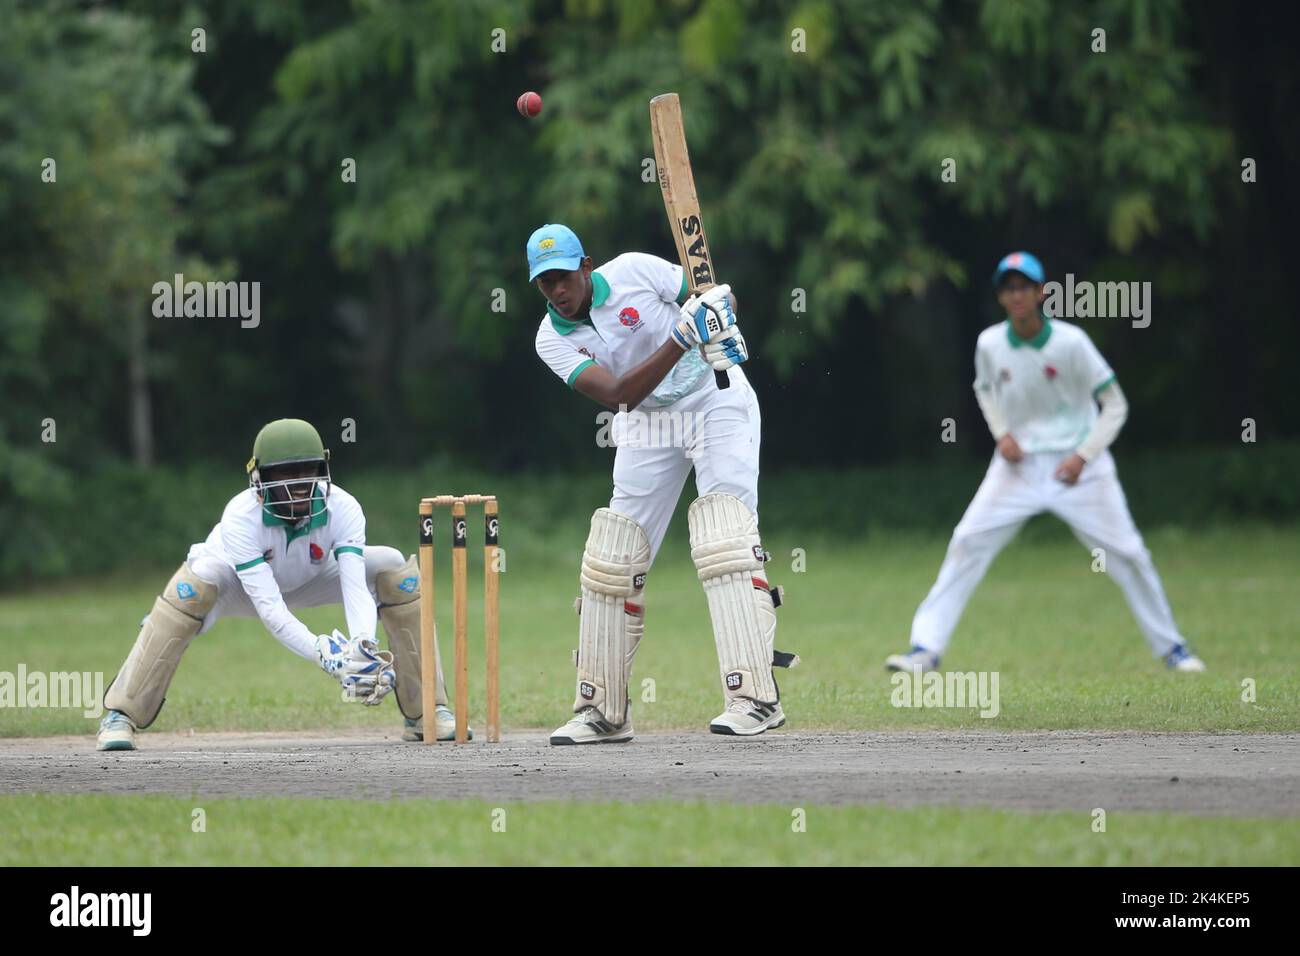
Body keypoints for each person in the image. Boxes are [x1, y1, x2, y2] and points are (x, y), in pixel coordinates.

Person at [529, 223, 797, 743]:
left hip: (715, 397)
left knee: (728, 541)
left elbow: (715, 298)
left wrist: (722, 316)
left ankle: (756, 698)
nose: (557, 291)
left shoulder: (633, 269)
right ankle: (602, 710)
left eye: (563, 276)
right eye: (545, 283)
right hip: (644, 420)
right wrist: (682, 337)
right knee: (615, 557)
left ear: (586, 265)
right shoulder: (549, 339)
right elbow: (620, 395)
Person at [886, 252, 1206, 674]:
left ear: (1041, 293)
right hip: (1018, 467)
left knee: (1129, 554)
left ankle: (1173, 649)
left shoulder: (1071, 343)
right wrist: (1002, 434)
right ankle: (925, 648)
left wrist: (1082, 456)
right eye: (1009, 288)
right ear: (1001, 297)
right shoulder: (990, 344)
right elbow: (984, 389)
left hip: (1081, 467)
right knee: (967, 541)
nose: (1017, 296)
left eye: (1024, 287)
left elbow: (1115, 405)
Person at [95, 418, 464, 750]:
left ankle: (426, 711)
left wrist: (362, 650)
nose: (298, 486)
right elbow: (271, 610)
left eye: (307, 472)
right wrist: (326, 655)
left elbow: (354, 586)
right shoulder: (241, 517)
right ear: (259, 479)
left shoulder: (344, 507)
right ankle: (120, 715)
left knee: (392, 567)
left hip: (315, 576)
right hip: (237, 585)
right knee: (194, 585)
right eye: (285, 474)